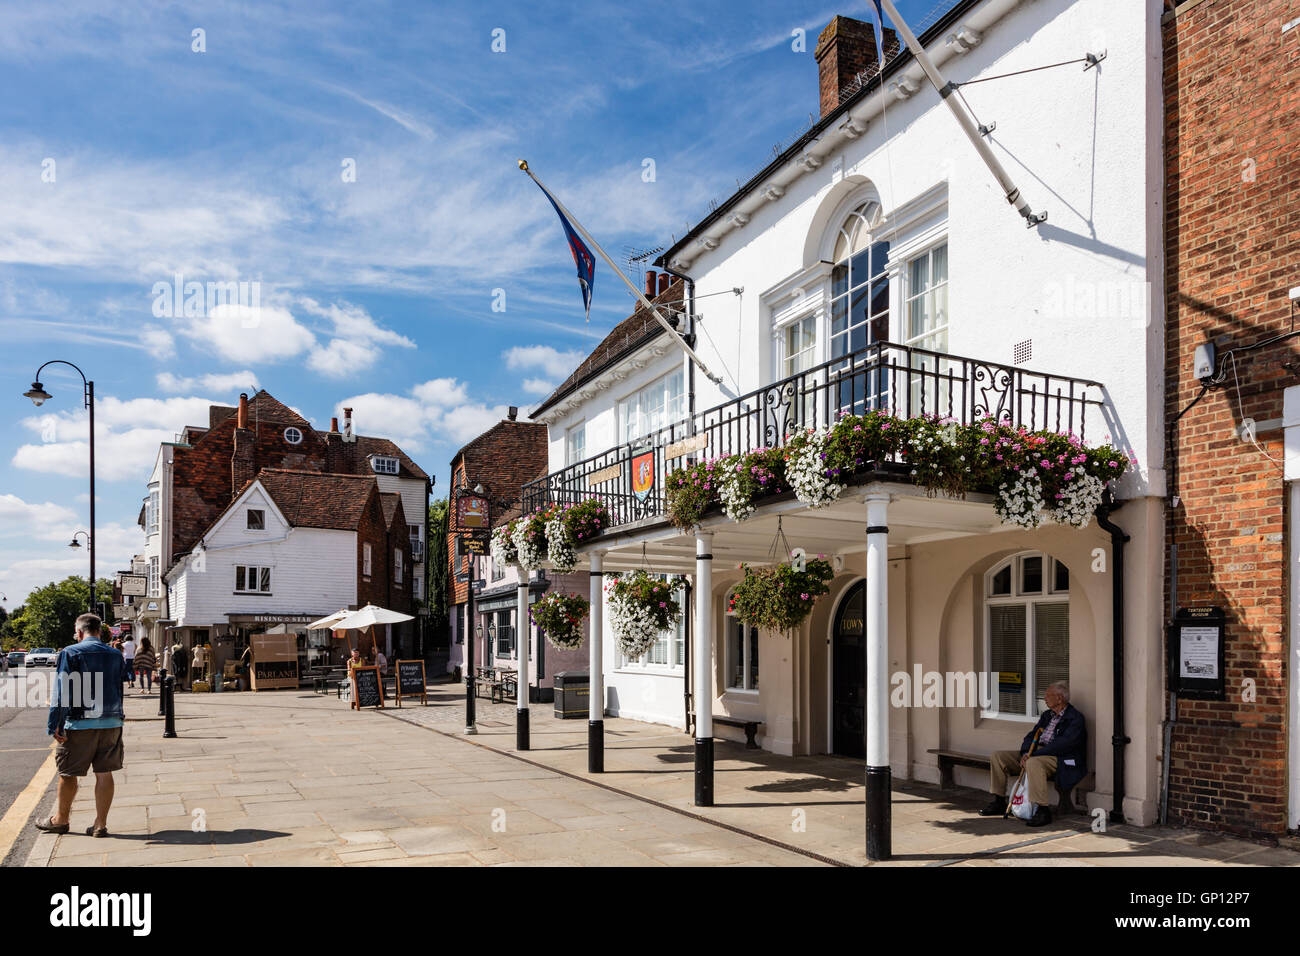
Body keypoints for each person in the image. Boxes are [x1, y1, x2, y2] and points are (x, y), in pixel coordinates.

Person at [36, 613, 126, 838]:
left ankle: (61, 820)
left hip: (79, 723)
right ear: (99, 631)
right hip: (112, 722)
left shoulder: (71, 652)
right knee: (105, 773)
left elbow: (62, 690)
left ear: (79, 632)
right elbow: (121, 685)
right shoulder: (116, 654)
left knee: (67, 773)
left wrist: (54, 723)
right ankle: (100, 824)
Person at [979, 682, 1087, 827]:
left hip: (1060, 758)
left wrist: (1035, 754)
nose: (1044, 698)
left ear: (1060, 698)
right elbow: (1031, 736)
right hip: (1035, 753)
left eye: (1048, 695)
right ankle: (998, 801)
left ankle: (1042, 810)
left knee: (1033, 763)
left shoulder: (1075, 718)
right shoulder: (1047, 715)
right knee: (998, 757)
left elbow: (1063, 745)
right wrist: (1025, 752)